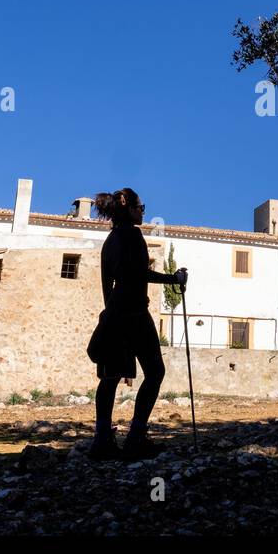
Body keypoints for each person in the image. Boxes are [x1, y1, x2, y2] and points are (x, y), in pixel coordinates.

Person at [86, 187, 187, 460]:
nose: (143, 211)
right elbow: (139, 274)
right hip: (135, 313)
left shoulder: (109, 241)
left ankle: (102, 440)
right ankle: (136, 437)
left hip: (115, 313)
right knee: (155, 372)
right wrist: (173, 279)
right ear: (129, 209)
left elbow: (107, 284)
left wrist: (109, 314)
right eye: (140, 206)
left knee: (110, 377)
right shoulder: (133, 235)